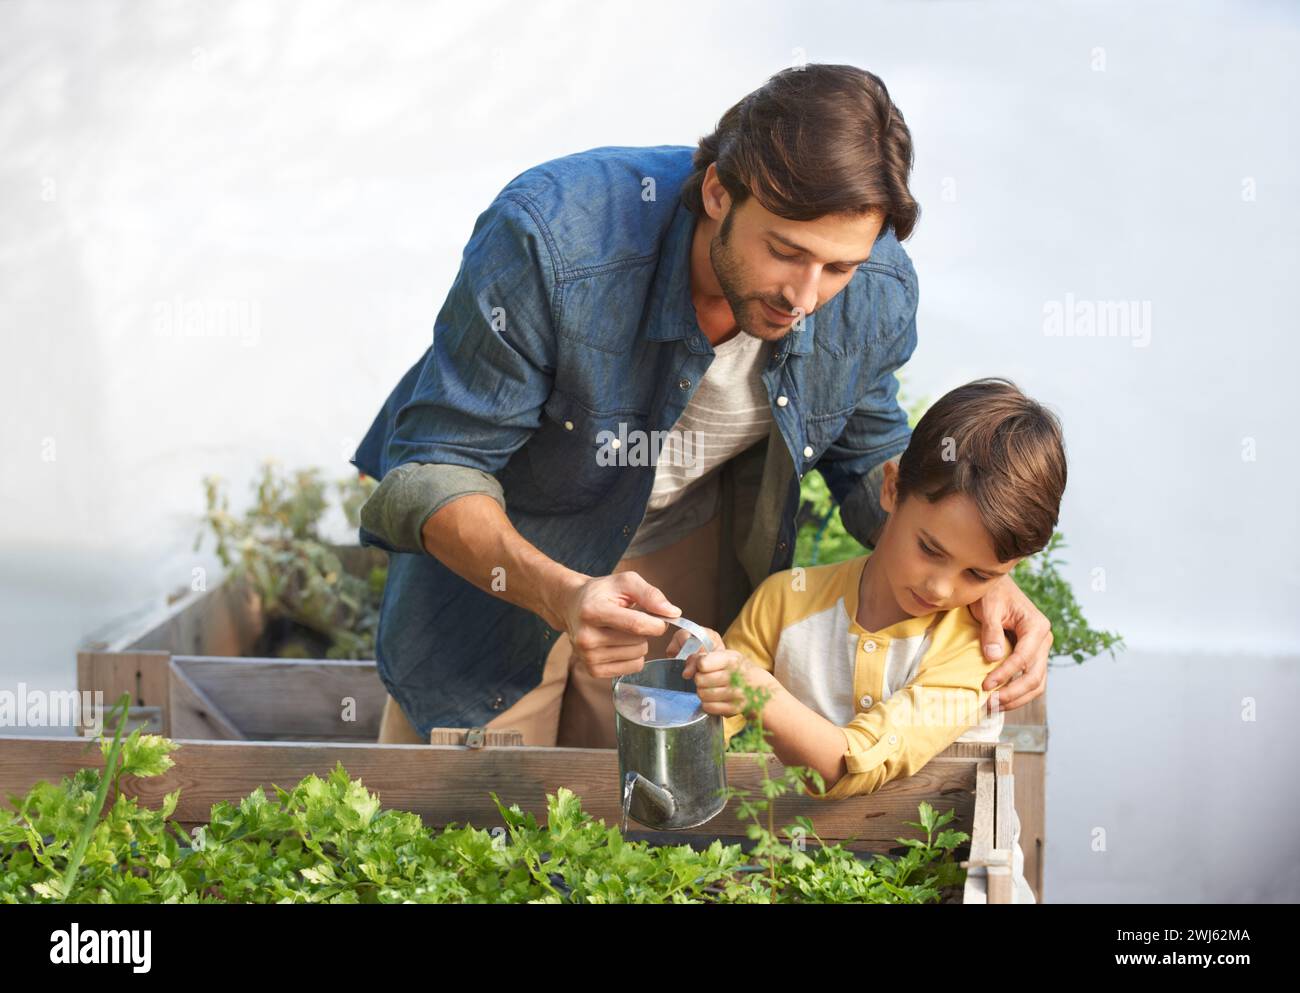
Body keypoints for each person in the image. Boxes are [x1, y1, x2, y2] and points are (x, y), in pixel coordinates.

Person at [352, 64, 1054, 748]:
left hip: (678, 541)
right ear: (718, 190)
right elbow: (436, 467)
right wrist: (561, 595)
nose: (805, 298)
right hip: (508, 537)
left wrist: (979, 576)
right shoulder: (553, 238)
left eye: (838, 267)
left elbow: (870, 455)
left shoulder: (875, 287)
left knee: (632, 810)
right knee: (467, 807)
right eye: (785, 250)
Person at [668, 378, 1067, 903]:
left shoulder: (978, 650)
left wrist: (760, 694)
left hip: (945, 884)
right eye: (929, 548)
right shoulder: (786, 602)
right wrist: (697, 670)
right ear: (891, 488)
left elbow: (857, 762)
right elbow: (700, 734)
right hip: (796, 874)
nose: (941, 587)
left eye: (980, 575)